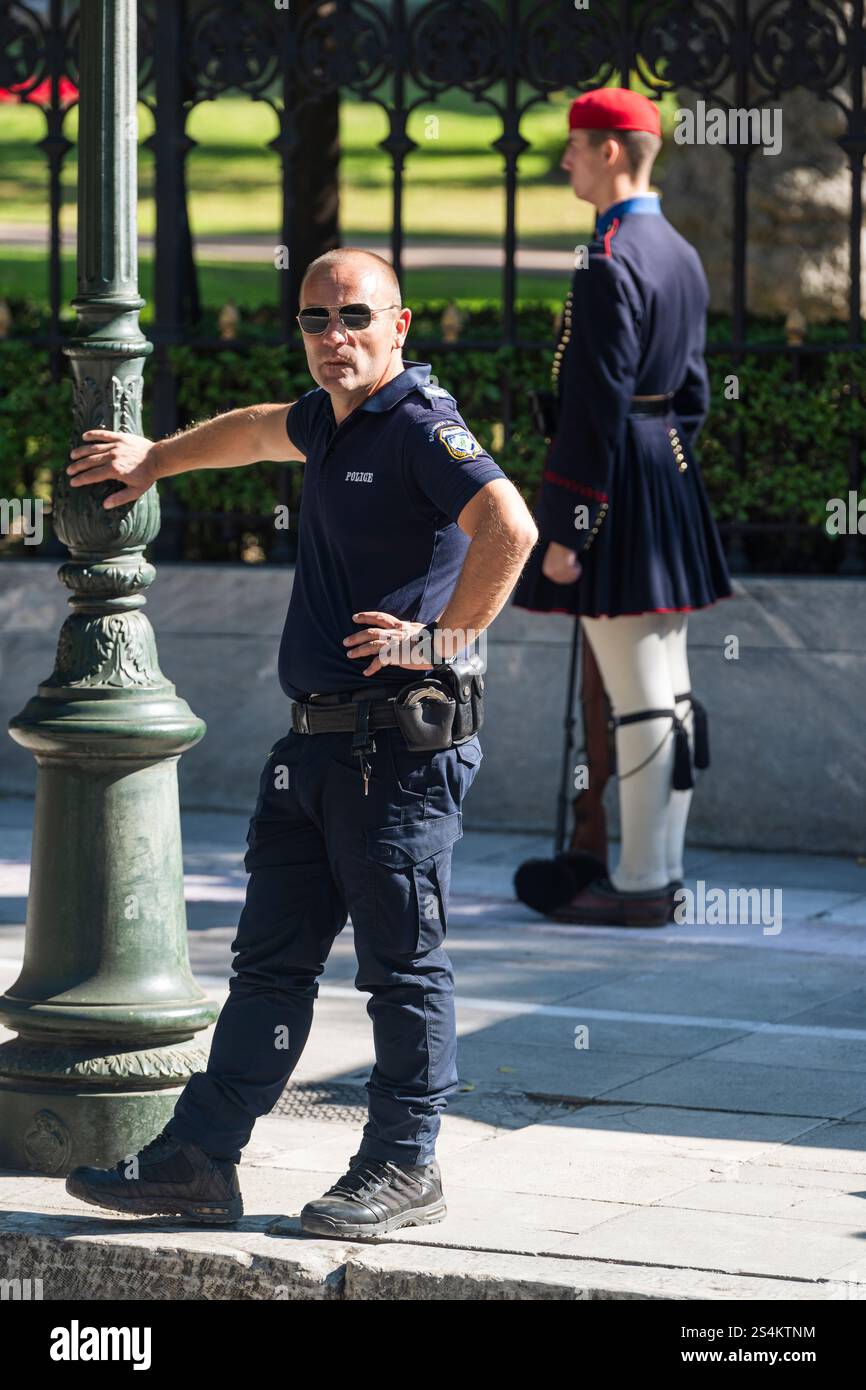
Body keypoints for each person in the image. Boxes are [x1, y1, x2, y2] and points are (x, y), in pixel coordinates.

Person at [63, 247, 538, 1234]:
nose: (333, 339)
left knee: (402, 965)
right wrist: (155, 457)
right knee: (269, 966)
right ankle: (199, 1159)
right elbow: (249, 433)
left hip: (395, 752)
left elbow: (510, 525)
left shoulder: (418, 426)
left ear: (398, 326)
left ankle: (405, 1164)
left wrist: (440, 638)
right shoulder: (328, 418)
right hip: (312, 747)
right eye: (314, 321)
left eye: (353, 317)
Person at [512, 88, 734, 928]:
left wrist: (568, 530)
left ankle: (640, 883)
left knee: (641, 694)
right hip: (664, 473)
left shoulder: (609, 256)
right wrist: (664, 463)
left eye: (574, 146)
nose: (565, 159)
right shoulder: (677, 249)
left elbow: (593, 406)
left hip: (618, 486)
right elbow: (696, 396)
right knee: (668, 689)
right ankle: (660, 870)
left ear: (611, 152)